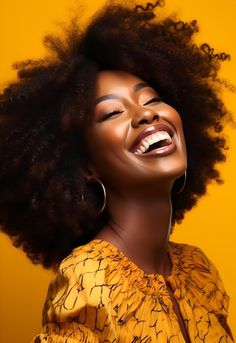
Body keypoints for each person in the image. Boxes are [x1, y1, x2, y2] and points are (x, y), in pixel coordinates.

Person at [0, 1, 234, 342]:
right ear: (86, 166)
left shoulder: (199, 271)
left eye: (152, 99)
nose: (146, 115)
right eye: (112, 113)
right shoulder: (88, 278)